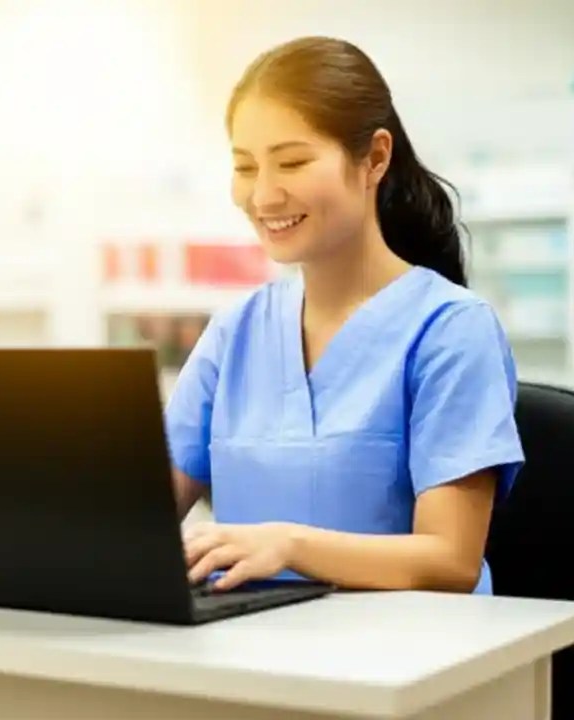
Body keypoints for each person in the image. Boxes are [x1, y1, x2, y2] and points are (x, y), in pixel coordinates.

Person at [167, 36, 524, 595]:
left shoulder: (451, 329)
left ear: (375, 158)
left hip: (408, 645)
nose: (264, 196)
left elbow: (452, 560)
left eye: (292, 162)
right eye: (245, 167)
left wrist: (289, 546)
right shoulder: (235, 332)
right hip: (244, 640)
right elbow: (135, 519)